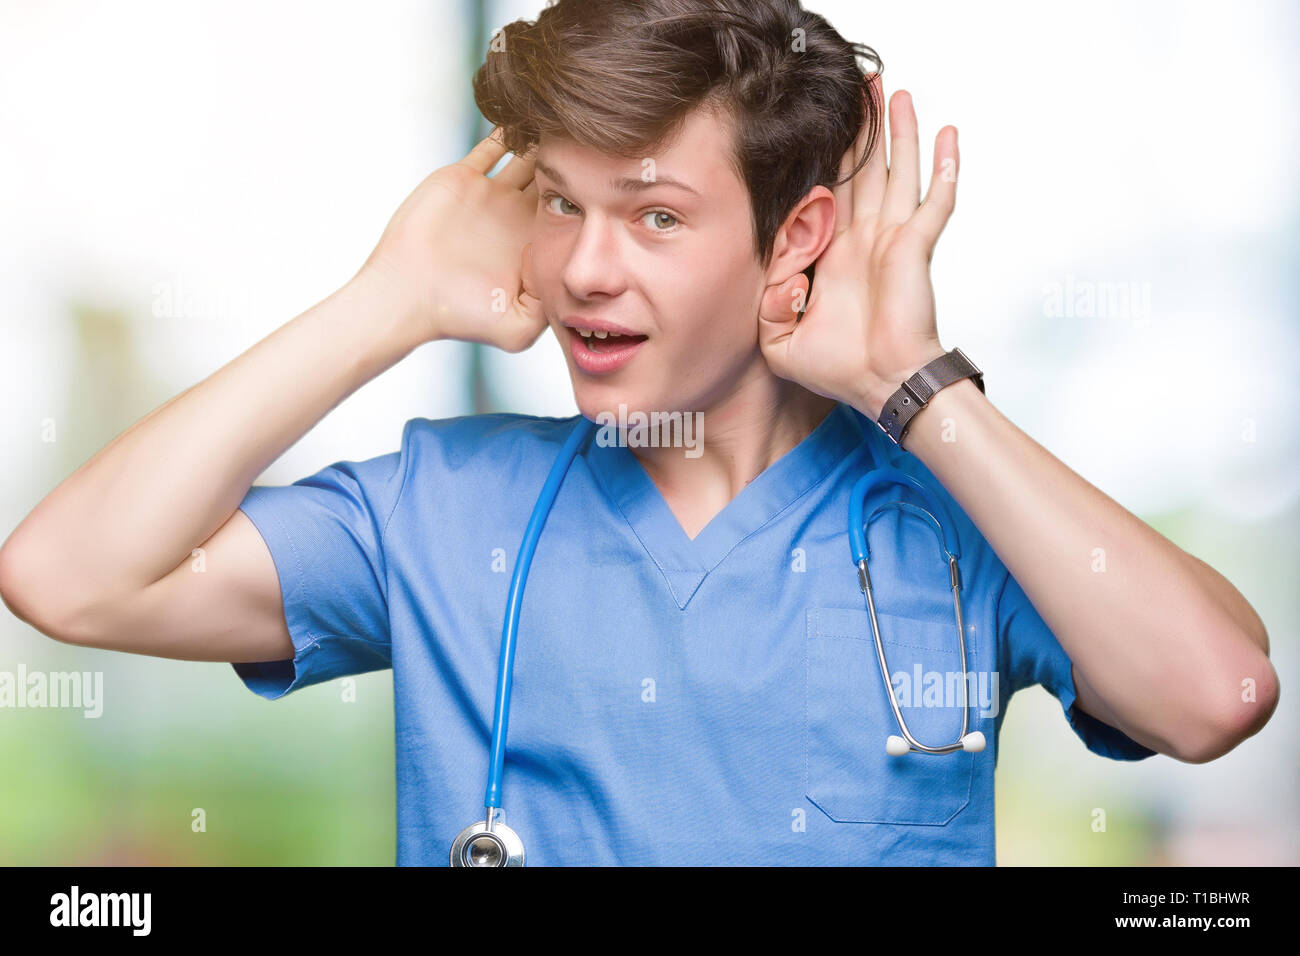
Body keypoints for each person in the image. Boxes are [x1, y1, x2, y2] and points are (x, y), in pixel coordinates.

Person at [0, 0, 1278, 866]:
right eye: (561, 202)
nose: (586, 269)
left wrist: (914, 380)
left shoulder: (947, 522)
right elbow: (67, 575)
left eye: (655, 215)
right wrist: (379, 304)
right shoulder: (439, 510)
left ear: (798, 238)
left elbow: (1217, 692)